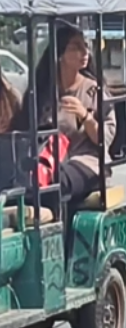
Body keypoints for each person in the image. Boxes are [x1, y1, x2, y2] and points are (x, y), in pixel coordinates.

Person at [11, 25, 117, 204]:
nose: (84, 52)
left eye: (85, 46)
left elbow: (104, 139)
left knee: (57, 181)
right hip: (47, 159)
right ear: (59, 54)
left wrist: (85, 116)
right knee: (20, 182)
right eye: (76, 47)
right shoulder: (42, 91)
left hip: (87, 161)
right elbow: (24, 130)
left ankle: (61, 230)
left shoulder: (94, 91)